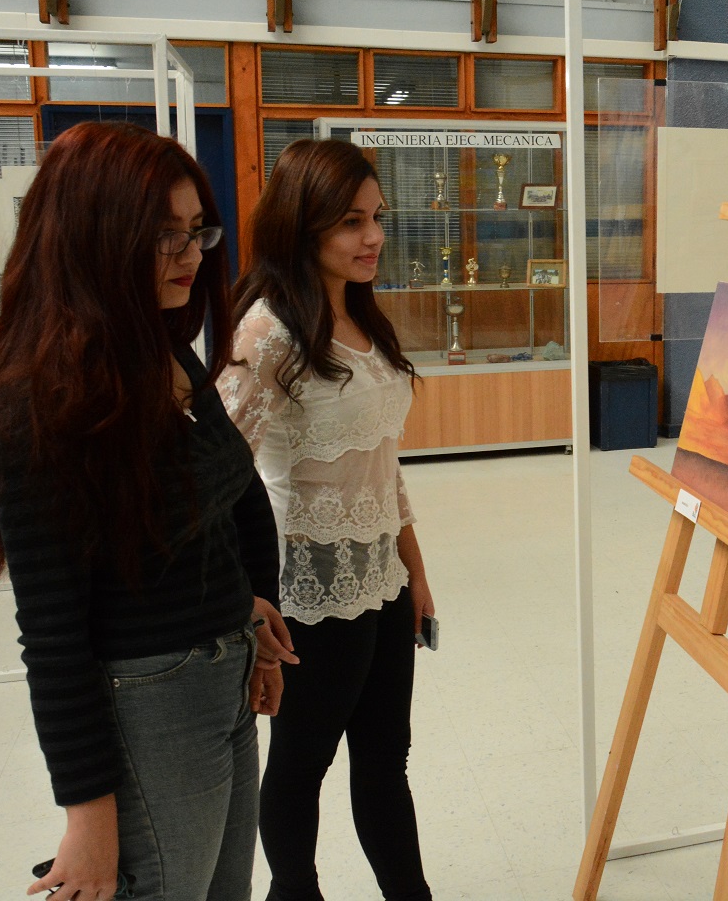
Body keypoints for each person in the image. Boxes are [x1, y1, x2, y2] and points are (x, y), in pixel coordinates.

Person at [0, 121, 294, 901]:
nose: (190, 256)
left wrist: (248, 608)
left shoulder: (161, 351)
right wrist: (87, 812)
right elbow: (53, 632)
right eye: (160, 237)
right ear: (91, 239)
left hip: (221, 673)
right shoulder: (39, 399)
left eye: (194, 232)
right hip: (150, 699)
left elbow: (226, 496)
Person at [222, 138, 435, 901]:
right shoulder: (269, 331)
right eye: (351, 222)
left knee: (386, 761)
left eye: (377, 218)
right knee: (301, 765)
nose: (372, 237)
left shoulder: (364, 321)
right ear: (302, 223)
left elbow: (383, 464)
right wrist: (246, 601)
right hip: (309, 594)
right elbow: (217, 475)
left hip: (380, 580)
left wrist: (415, 571)